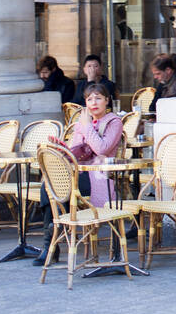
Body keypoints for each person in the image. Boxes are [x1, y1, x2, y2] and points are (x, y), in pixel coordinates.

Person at [33, 82, 125, 265]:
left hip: (99, 176)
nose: (94, 102)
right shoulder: (83, 124)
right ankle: (51, 242)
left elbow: (101, 149)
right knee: (50, 185)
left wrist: (87, 126)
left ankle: (57, 230)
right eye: (89, 99)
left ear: (107, 100)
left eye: (98, 98)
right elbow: (76, 152)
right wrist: (61, 147)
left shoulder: (114, 122)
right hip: (79, 172)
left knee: (61, 187)